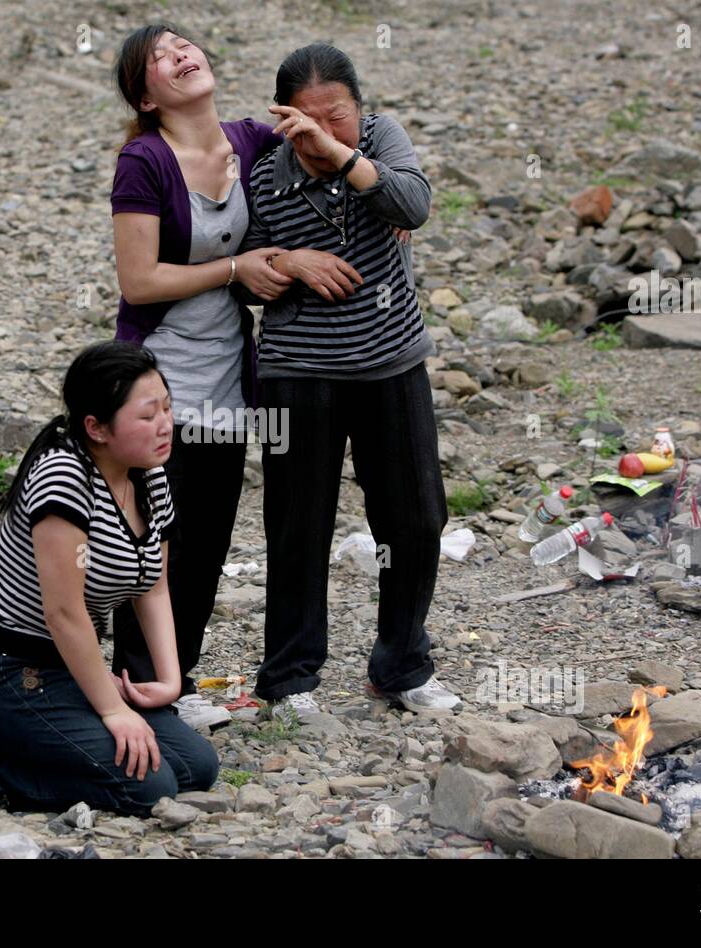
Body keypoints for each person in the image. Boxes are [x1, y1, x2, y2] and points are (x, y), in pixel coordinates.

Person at [240, 44, 461, 717]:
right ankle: (290, 678)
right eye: (302, 121)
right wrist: (288, 258)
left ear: (359, 109)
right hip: (297, 371)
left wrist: (344, 159)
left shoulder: (380, 142)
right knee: (297, 523)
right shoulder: (262, 175)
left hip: (391, 361)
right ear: (280, 118)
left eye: (335, 116)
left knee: (415, 519)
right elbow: (243, 269)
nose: (318, 132)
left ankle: (401, 666)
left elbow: (414, 205)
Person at [0, 341, 219, 818]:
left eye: (168, 408)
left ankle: (30, 742)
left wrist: (169, 679)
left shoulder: (149, 476)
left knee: (196, 766)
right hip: (6, 667)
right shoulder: (64, 478)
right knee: (149, 788)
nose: (166, 425)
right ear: (96, 427)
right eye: (148, 416)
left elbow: (153, 584)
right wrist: (113, 710)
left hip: (71, 667)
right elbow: (63, 612)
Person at [109, 23, 292, 730]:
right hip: (159, 378)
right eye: (159, 56)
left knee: (209, 539)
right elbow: (139, 278)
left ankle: (175, 688)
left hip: (226, 379)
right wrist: (234, 268)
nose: (179, 54)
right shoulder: (144, 160)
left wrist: (383, 205)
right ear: (146, 94)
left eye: (184, 43)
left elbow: (326, 156)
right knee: (157, 543)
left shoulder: (250, 141)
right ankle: (134, 693)